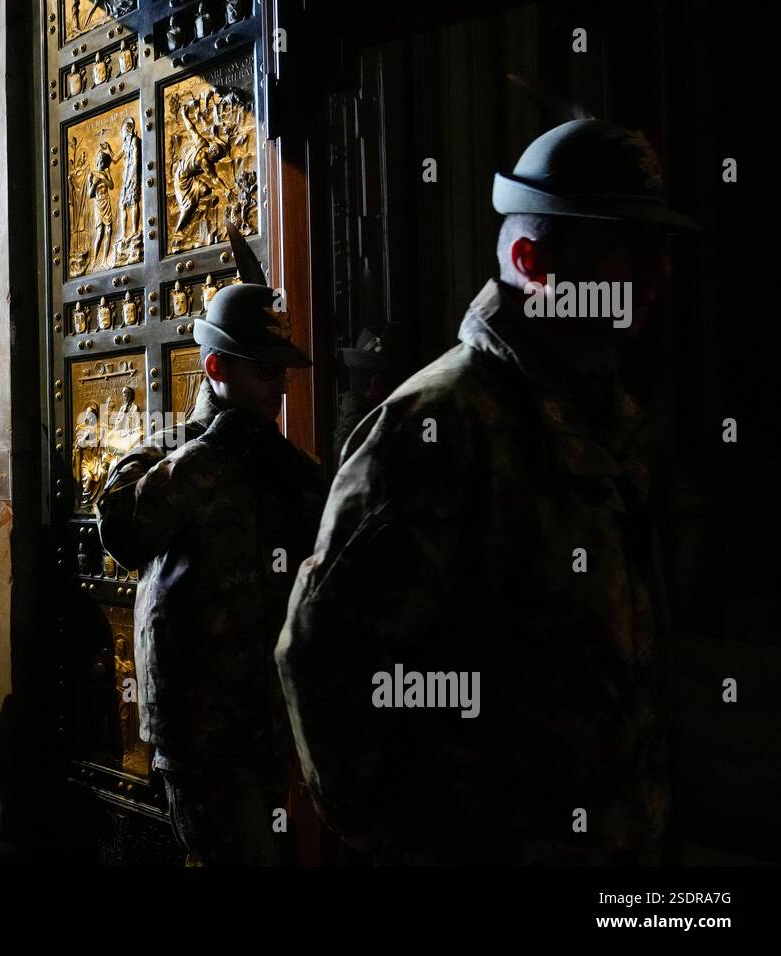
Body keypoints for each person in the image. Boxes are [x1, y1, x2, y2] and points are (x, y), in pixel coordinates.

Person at [277, 119, 696, 865]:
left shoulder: (601, 421)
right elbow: (328, 664)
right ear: (534, 261)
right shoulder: (441, 426)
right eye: (626, 249)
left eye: (657, 248)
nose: (657, 275)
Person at [96, 282, 326, 865]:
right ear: (216, 366)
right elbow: (124, 532)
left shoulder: (277, 461)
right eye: (264, 370)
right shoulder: (166, 451)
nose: (278, 386)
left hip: (271, 719)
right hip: (200, 727)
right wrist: (213, 451)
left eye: (283, 373)